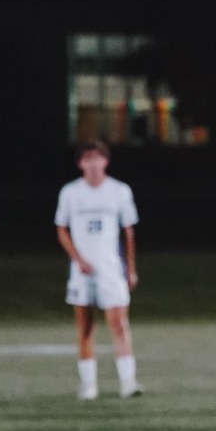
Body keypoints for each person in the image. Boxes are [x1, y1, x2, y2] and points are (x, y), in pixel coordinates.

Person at [56, 139, 142, 400]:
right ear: (80, 163)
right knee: (85, 328)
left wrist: (130, 268)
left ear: (106, 161)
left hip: (111, 270)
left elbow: (128, 232)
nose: (93, 163)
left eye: (97, 158)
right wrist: (77, 258)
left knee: (119, 324)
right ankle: (89, 385)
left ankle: (128, 382)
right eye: (87, 158)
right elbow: (62, 229)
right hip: (82, 272)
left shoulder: (119, 191)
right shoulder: (70, 193)